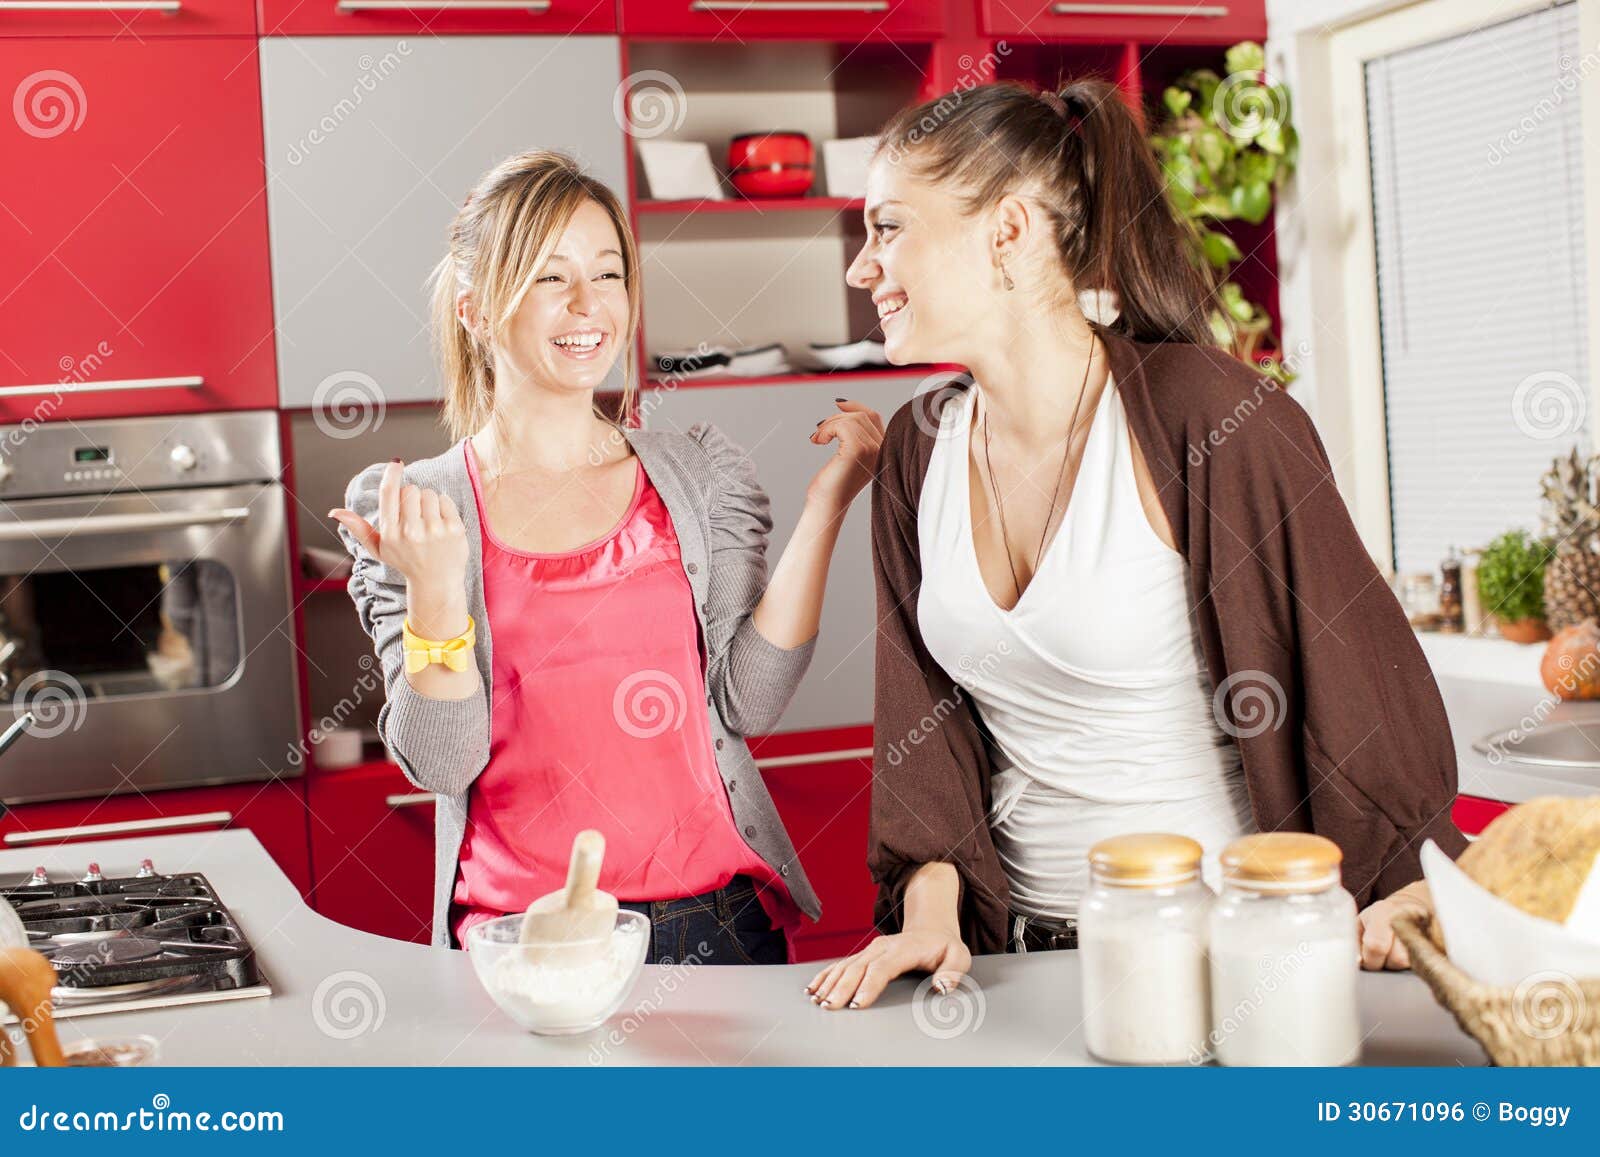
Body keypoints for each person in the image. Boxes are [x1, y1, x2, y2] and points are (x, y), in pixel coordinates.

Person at [806, 80, 1466, 1010]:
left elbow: (1359, 682)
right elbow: (927, 730)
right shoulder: (919, 446)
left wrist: (1411, 885)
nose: (861, 268)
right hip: (1016, 965)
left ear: (1007, 230)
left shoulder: (1214, 419)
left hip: (1223, 961)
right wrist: (927, 911)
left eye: (888, 228)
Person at [330, 150, 883, 962]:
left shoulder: (696, 475)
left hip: (716, 925)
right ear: (476, 311)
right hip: (528, 938)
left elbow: (746, 703)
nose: (590, 306)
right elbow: (444, 762)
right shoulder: (421, 510)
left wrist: (828, 506)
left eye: (609, 273)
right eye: (551, 278)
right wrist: (438, 596)